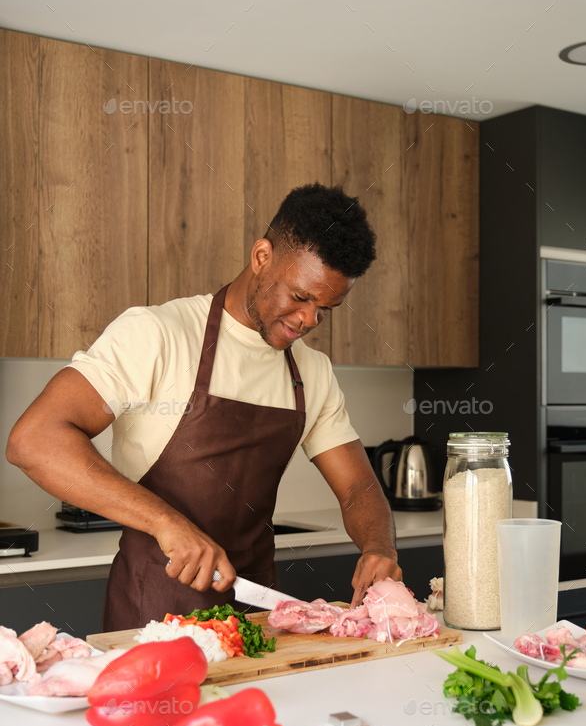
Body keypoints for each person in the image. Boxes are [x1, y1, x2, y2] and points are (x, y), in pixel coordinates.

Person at [6, 183, 401, 632]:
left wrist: (380, 548)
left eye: (327, 308)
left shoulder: (312, 372)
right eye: (301, 297)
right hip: (153, 614)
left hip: (256, 619)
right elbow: (33, 440)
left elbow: (357, 489)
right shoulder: (157, 334)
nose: (310, 320)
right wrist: (165, 522)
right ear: (261, 257)